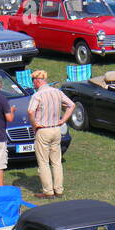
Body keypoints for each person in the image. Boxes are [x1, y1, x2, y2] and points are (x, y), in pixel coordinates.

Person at [27, 68, 73, 197]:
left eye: (33, 81)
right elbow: (71, 105)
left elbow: (31, 111)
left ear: (37, 81)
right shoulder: (57, 92)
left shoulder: (37, 95)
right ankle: (59, 189)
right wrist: (63, 120)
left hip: (43, 130)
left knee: (43, 162)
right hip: (56, 129)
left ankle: (48, 191)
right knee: (56, 161)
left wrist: (34, 124)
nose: (33, 84)